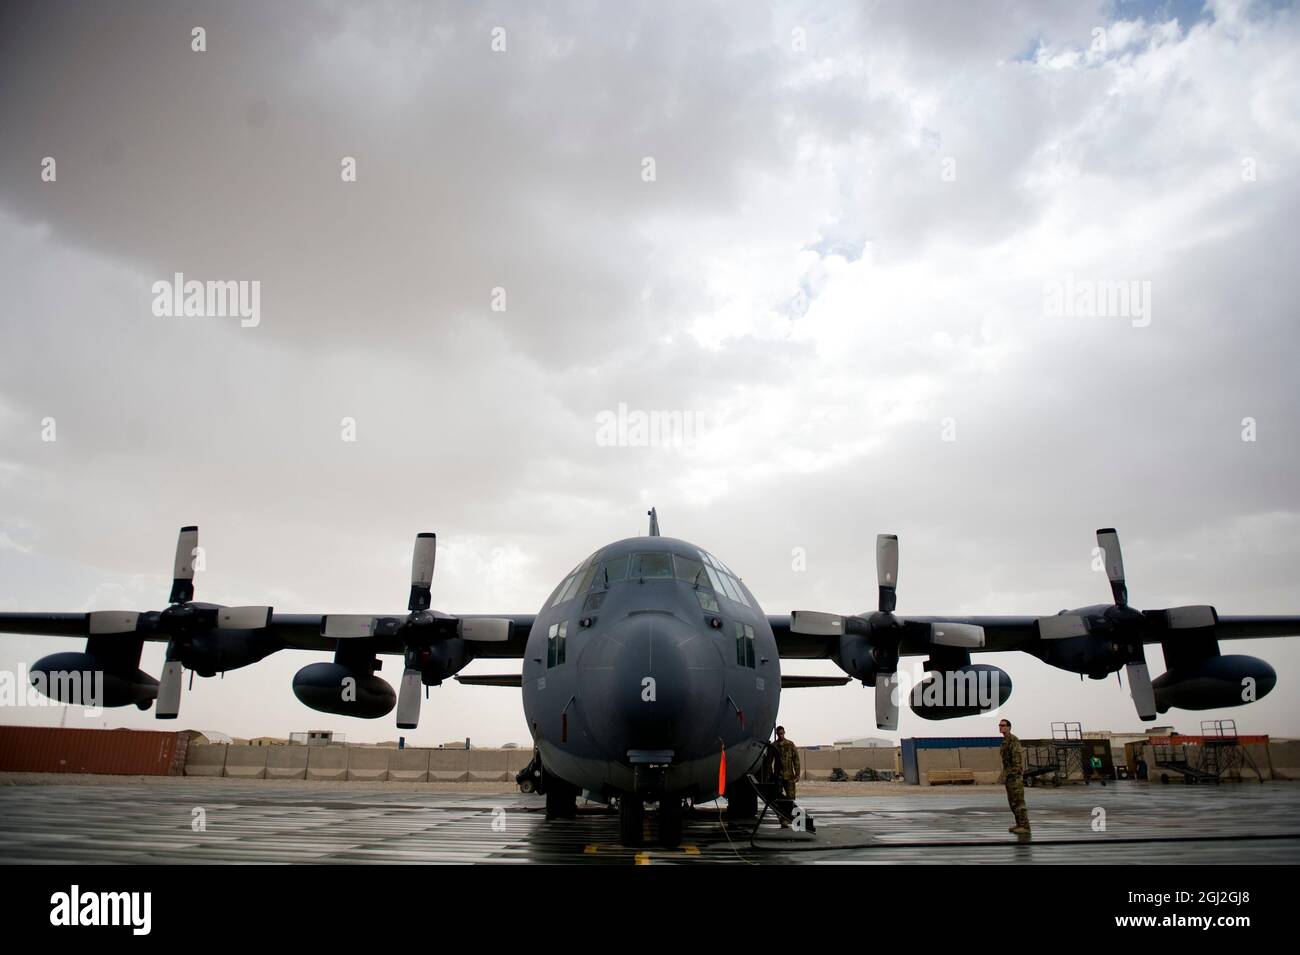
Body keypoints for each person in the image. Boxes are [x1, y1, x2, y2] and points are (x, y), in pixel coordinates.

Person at [999, 718, 1030, 835]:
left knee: (1018, 801)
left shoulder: (1013, 740)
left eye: (1003, 725)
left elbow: (1017, 759)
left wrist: (1014, 774)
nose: (1000, 727)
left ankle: (1025, 826)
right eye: (999, 725)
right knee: (1012, 801)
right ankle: (1019, 824)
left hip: (1014, 776)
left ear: (1009, 727)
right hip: (1009, 776)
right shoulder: (1005, 741)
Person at [773, 726, 801, 828]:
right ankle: (782, 819)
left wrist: (797, 774)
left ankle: (789, 817)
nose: (780, 735)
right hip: (778, 776)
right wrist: (769, 775)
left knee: (790, 798)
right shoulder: (774, 745)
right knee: (779, 799)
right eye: (779, 734)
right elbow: (768, 761)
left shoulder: (790, 744)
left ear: (784, 733)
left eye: (782, 733)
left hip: (789, 776)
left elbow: (796, 759)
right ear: (777, 734)